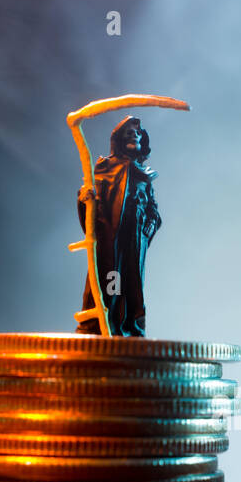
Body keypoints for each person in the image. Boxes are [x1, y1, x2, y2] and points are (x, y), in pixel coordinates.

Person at [76, 116, 161, 335]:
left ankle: (129, 327)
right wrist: (85, 199)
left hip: (133, 240)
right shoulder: (104, 169)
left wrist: (146, 228)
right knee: (107, 279)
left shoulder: (144, 176)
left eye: (137, 133)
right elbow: (91, 203)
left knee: (132, 284)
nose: (134, 136)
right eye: (129, 133)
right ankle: (97, 325)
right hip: (108, 237)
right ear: (119, 139)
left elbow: (153, 210)